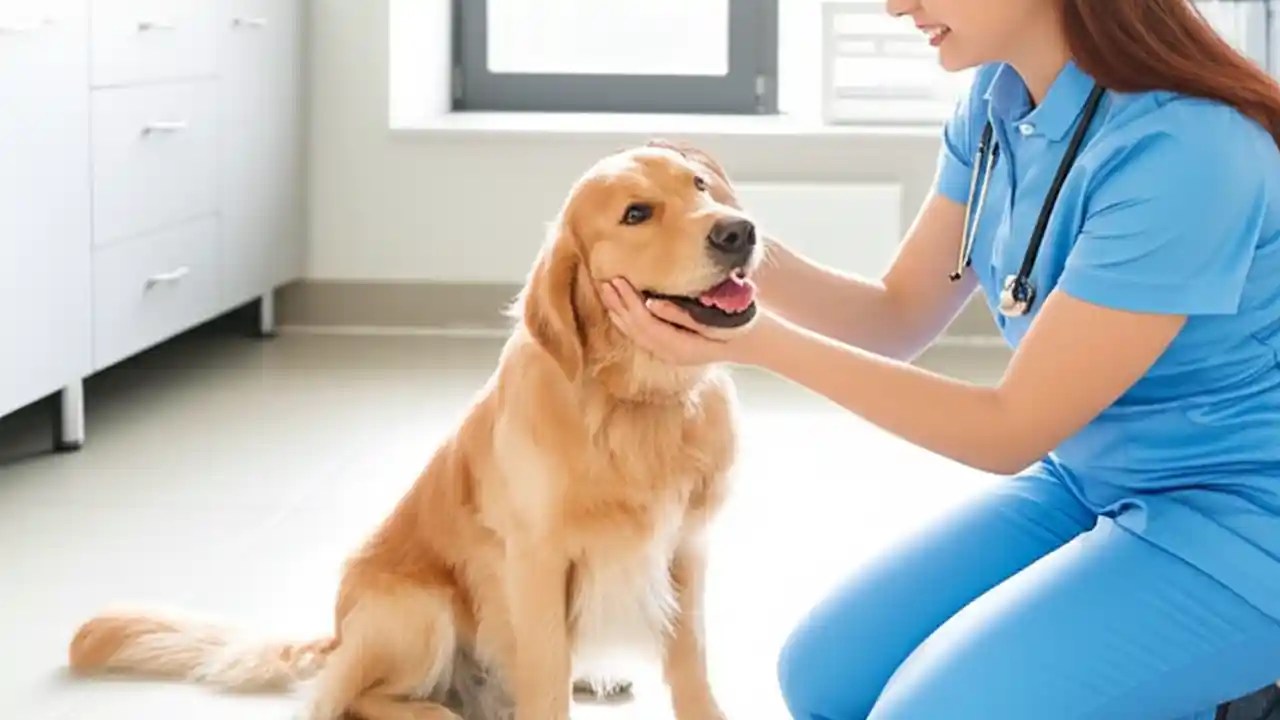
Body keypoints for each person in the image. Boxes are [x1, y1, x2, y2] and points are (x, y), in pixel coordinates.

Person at [598, 0, 1280, 718]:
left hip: (1243, 520)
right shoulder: (998, 102)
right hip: (1093, 479)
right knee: (826, 676)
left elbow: (1009, 431)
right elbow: (894, 317)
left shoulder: (1187, 152)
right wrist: (725, 242)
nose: (897, 5)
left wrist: (753, 340)